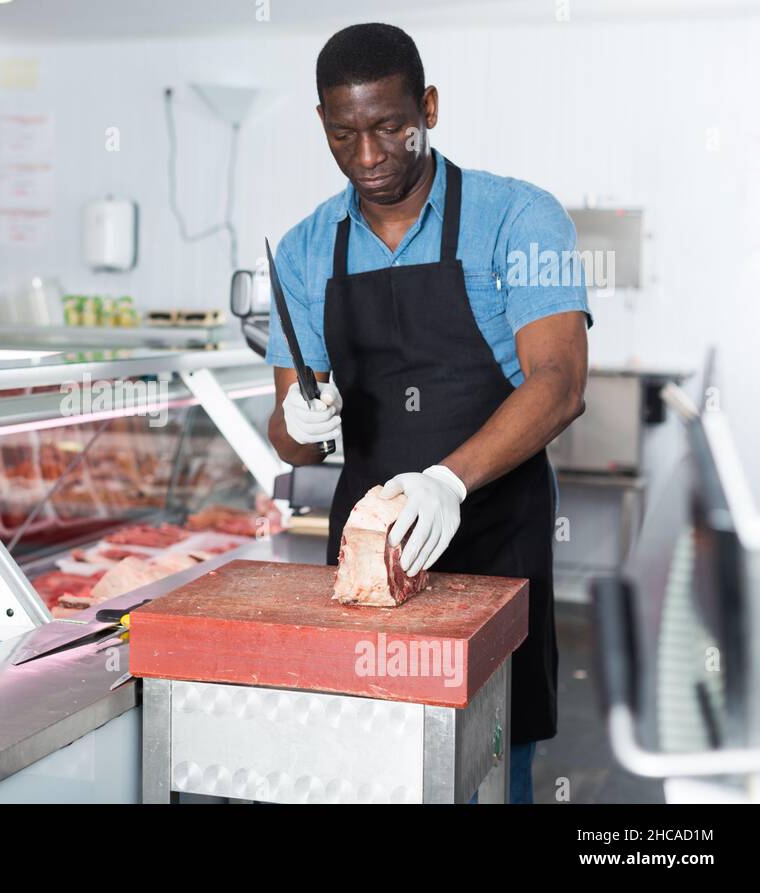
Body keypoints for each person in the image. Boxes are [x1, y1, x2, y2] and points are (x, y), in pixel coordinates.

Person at [266, 22, 591, 803]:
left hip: (495, 534)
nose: (369, 156)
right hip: (372, 552)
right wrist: (297, 427)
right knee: (371, 761)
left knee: (492, 758)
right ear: (322, 124)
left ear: (430, 108)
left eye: (389, 127)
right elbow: (290, 440)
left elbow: (560, 381)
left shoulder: (518, 217)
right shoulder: (309, 249)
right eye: (345, 134)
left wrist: (447, 480)